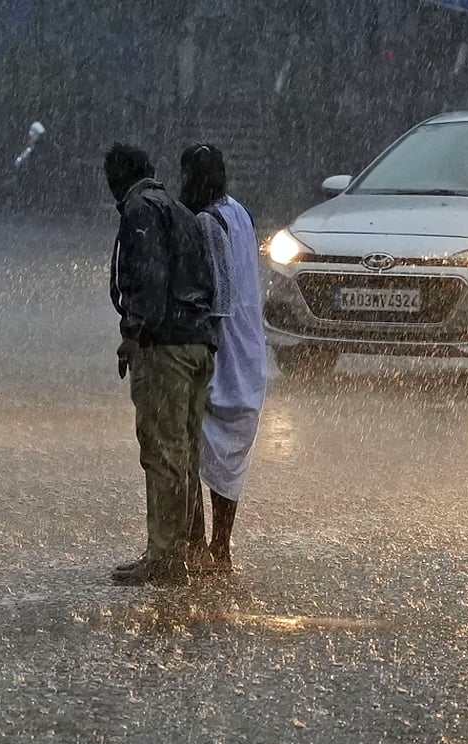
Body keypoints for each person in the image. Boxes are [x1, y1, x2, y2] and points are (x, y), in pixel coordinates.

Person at [104, 143, 228, 586]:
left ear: (114, 179)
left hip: (166, 349)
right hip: (198, 345)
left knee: (161, 453)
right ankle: (186, 551)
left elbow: (151, 280)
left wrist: (132, 336)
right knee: (187, 452)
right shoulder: (177, 208)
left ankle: (165, 557)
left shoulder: (140, 210)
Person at [178, 142, 268, 573]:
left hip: (224, 347)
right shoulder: (240, 212)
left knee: (193, 446)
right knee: (230, 455)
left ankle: (201, 544)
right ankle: (221, 546)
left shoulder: (206, 220)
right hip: (250, 347)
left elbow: (220, 295)